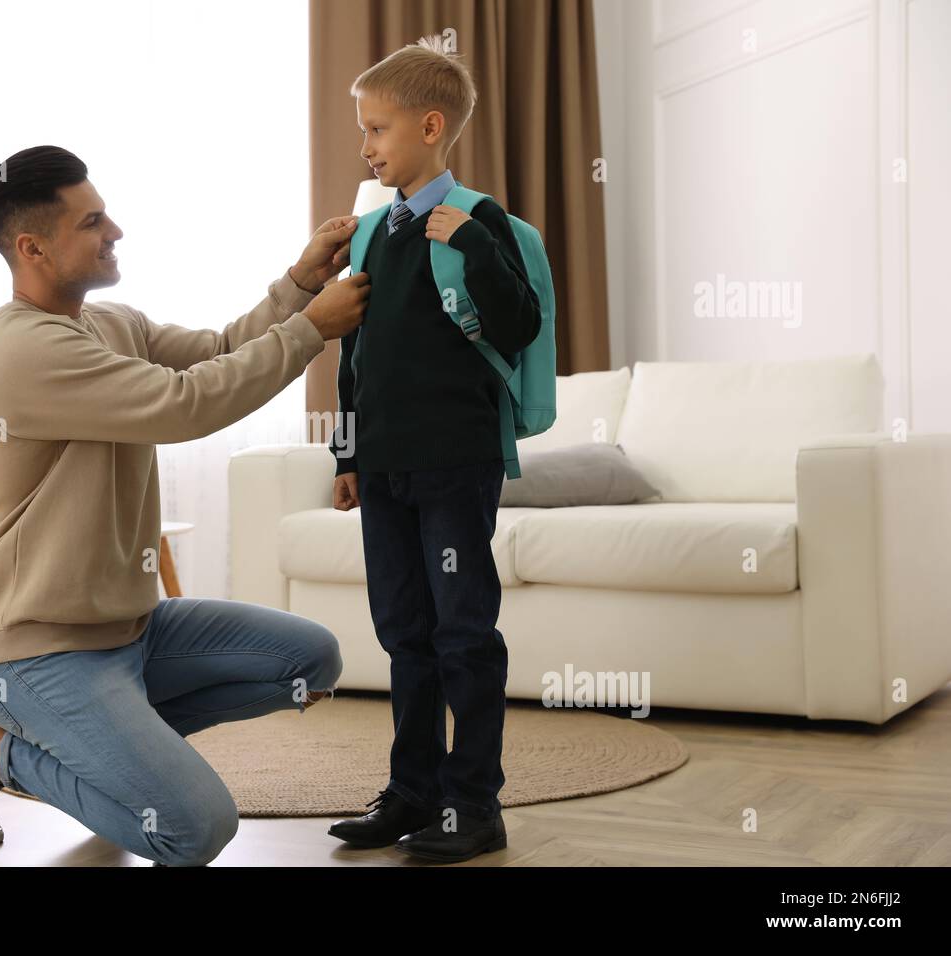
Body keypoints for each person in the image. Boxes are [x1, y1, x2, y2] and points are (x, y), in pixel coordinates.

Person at [0, 145, 370, 866]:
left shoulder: (111, 325)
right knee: (193, 830)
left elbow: (221, 350)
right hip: (37, 651)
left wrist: (299, 284)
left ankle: (114, 759)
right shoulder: (16, 351)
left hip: (129, 633)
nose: (116, 232)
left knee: (306, 662)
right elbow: (185, 404)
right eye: (93, 221)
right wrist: (312, 329)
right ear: (32, 247)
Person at [325, 36, 543, 862]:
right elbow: (354, 355)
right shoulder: (375, 233)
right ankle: (411, 794)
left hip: (455, 463)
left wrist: (477, 247)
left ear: (429, 125)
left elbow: (518, 327)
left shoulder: (482, 221)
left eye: (377, 130)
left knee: (462, 633)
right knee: (402, 631)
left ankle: (474, 805)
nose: (366, 146)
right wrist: (345, 457)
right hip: (382, 466)